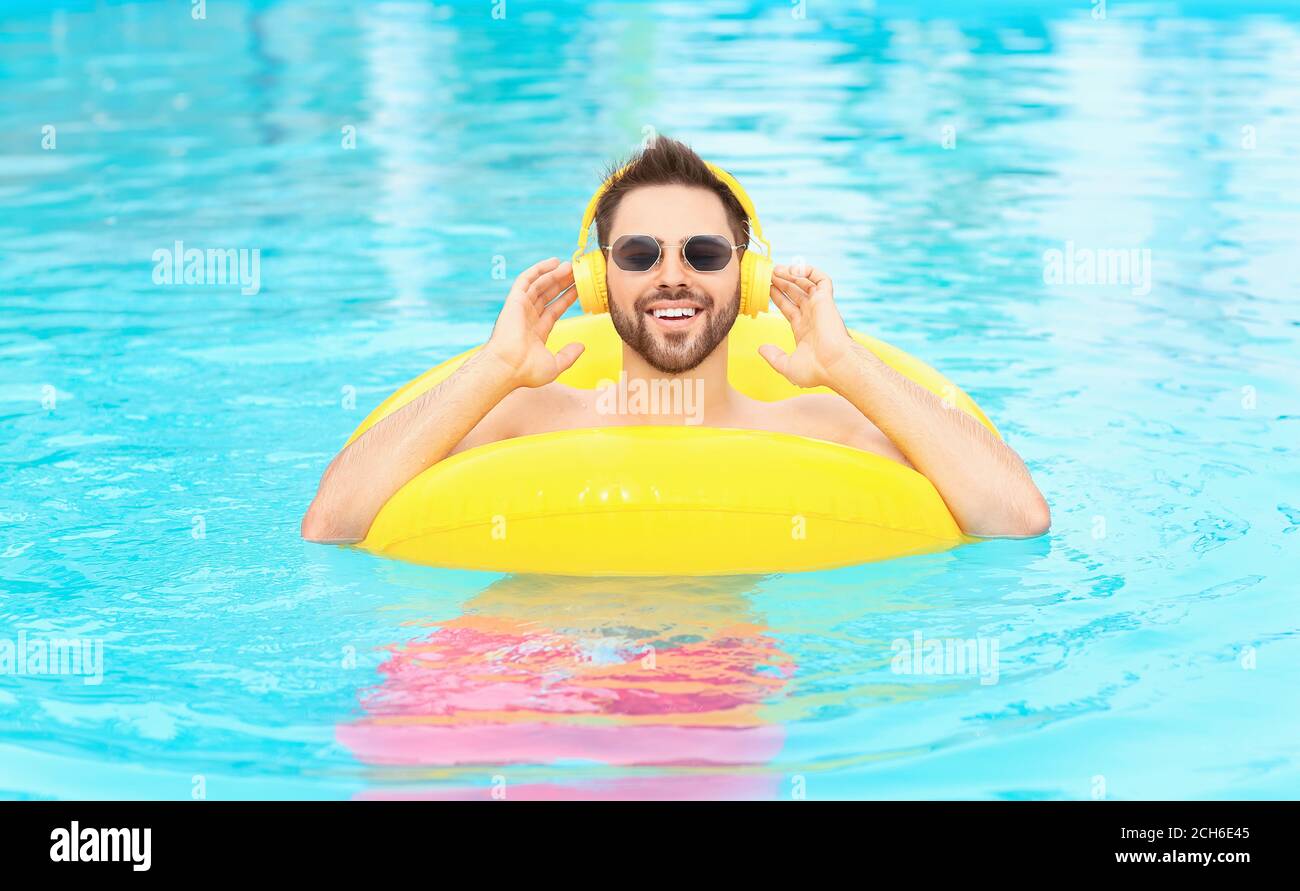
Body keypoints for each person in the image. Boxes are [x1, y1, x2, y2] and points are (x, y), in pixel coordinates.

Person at [302, 136, 1049, 545]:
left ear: (748, 280)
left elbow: (1018, 520)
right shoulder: (527, 415)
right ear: (597, 284)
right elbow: (332, 525)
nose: (672, 276)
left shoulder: (822, 424)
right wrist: (496, 365)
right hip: (540, 670)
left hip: (728, 683)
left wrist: (847, 364)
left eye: (704, 252)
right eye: (638, 254)